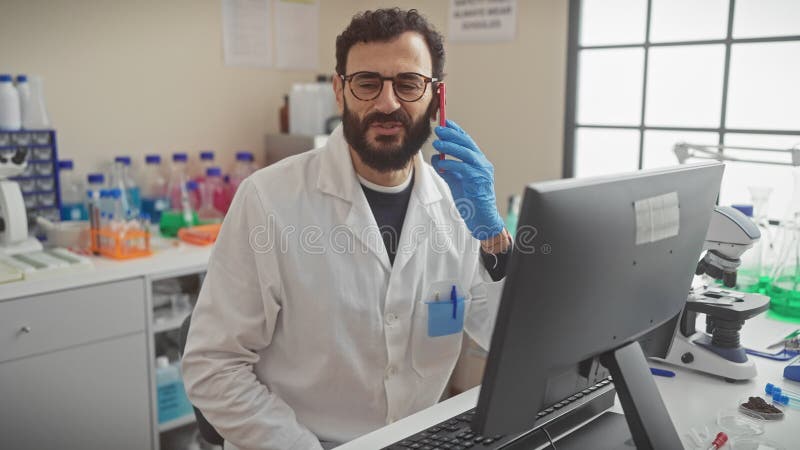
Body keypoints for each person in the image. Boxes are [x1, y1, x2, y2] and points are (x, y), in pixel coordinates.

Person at [182, 8, 512, 450]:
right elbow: (212, 365)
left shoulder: (460, 204)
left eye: (409, 83)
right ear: (340, 91)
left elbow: (508, 340)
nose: (388, 103)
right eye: (367, 82)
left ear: (436, 97)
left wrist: (495, 240)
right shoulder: (268, 200)